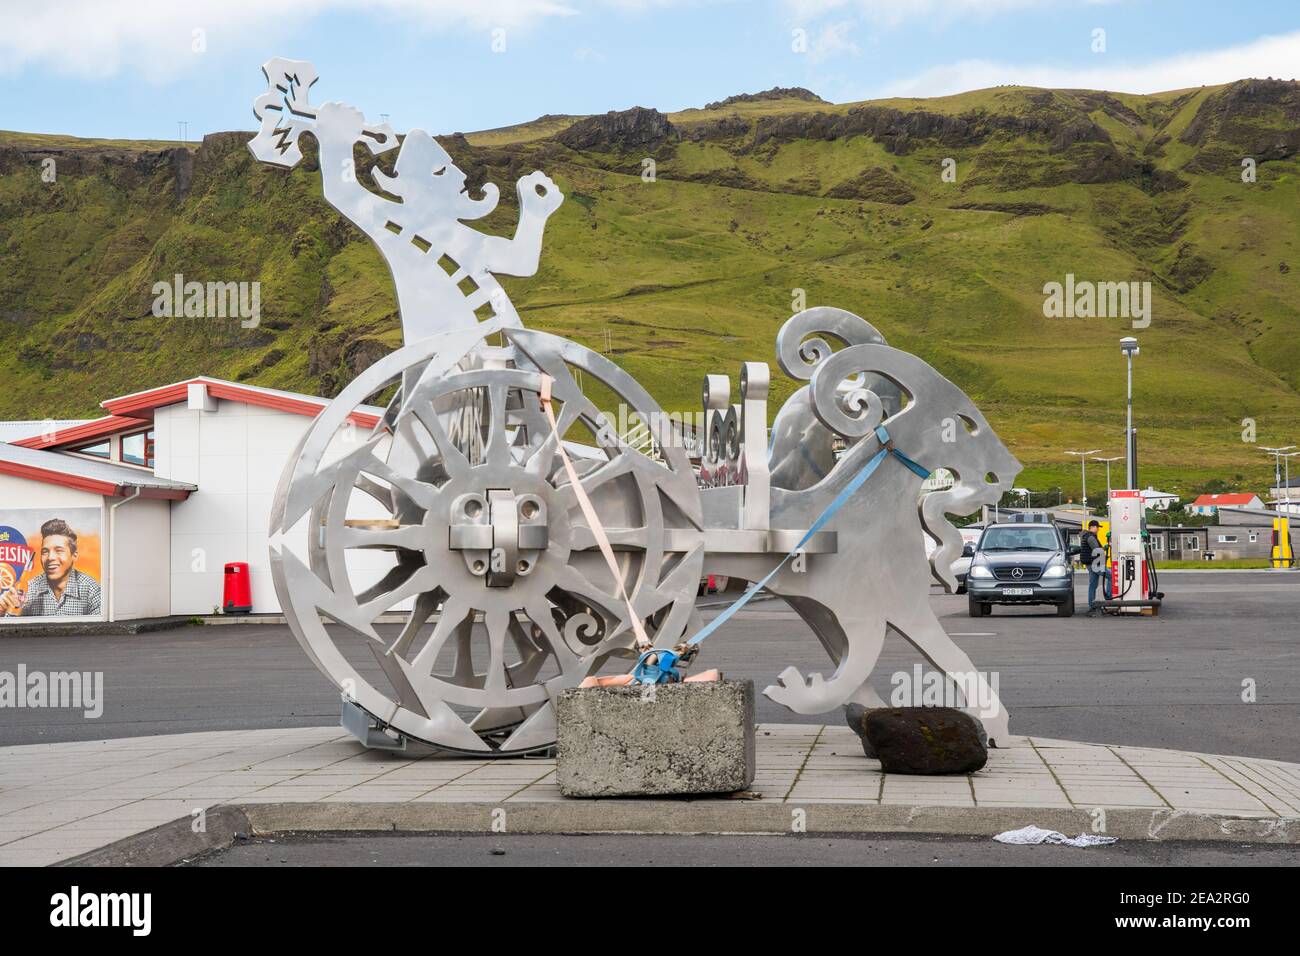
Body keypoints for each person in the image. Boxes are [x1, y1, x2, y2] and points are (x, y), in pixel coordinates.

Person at [0, 518, 101, 617]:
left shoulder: (91, 590)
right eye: (45, 551)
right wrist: (3, 613)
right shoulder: (29, 590)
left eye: (59, 550)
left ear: (74, 555)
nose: (50, 557)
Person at [1079, 519, 1107, 613]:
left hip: (1089, 563)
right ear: (1092, 527)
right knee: (1112, 576)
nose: (1098, 529)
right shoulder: (1091, 537)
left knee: (1093, 585)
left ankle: (1092, 606)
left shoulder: (1086, 536)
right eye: (1097, 527)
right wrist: (1106, 548)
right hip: (1094, 563)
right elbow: (1097, 550)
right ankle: (1110, 600)